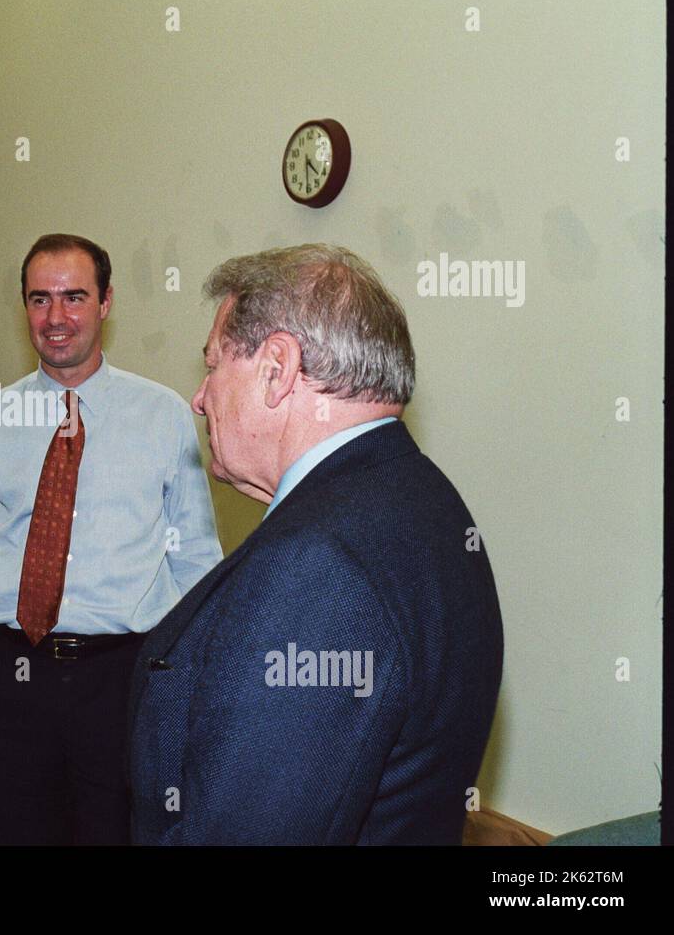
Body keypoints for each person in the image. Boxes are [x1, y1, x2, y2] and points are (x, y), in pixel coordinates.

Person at [128, 244, 503, 844]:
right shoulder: (427, 500)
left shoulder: (318, 571)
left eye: (213, 364)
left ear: (276, 368)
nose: (200, 397)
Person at [0, 233, 222, 844]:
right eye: (40, 300)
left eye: (74, 297)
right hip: (4, 674)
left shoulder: (163, 414)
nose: (56, 317)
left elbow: (195, 559)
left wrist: (172, 678)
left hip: (118, 682)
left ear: (106, 302)